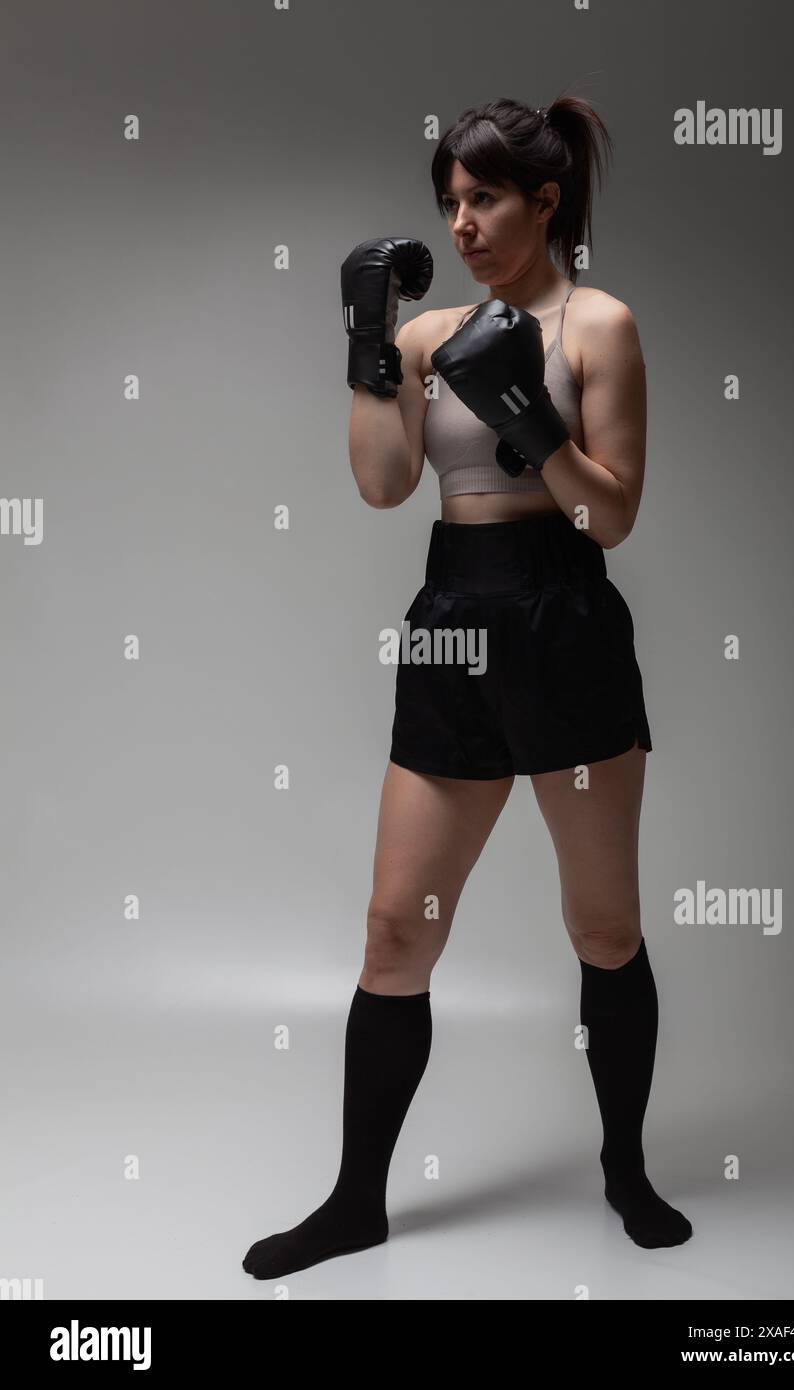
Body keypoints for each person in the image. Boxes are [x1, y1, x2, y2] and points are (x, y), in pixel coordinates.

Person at [243, 94, 692, 1281]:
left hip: (565, 620)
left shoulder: (600, 324)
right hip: (451, 624)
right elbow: (386, 487)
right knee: (395, 928)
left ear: (545, 202)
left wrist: (526, 419)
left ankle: (625, 1170)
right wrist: (366, 344)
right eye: (448, 201)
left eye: (483, 198)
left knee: (601, 925)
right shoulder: (429, 331)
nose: (461, 222)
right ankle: (355, 1203)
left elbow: (608, 515)